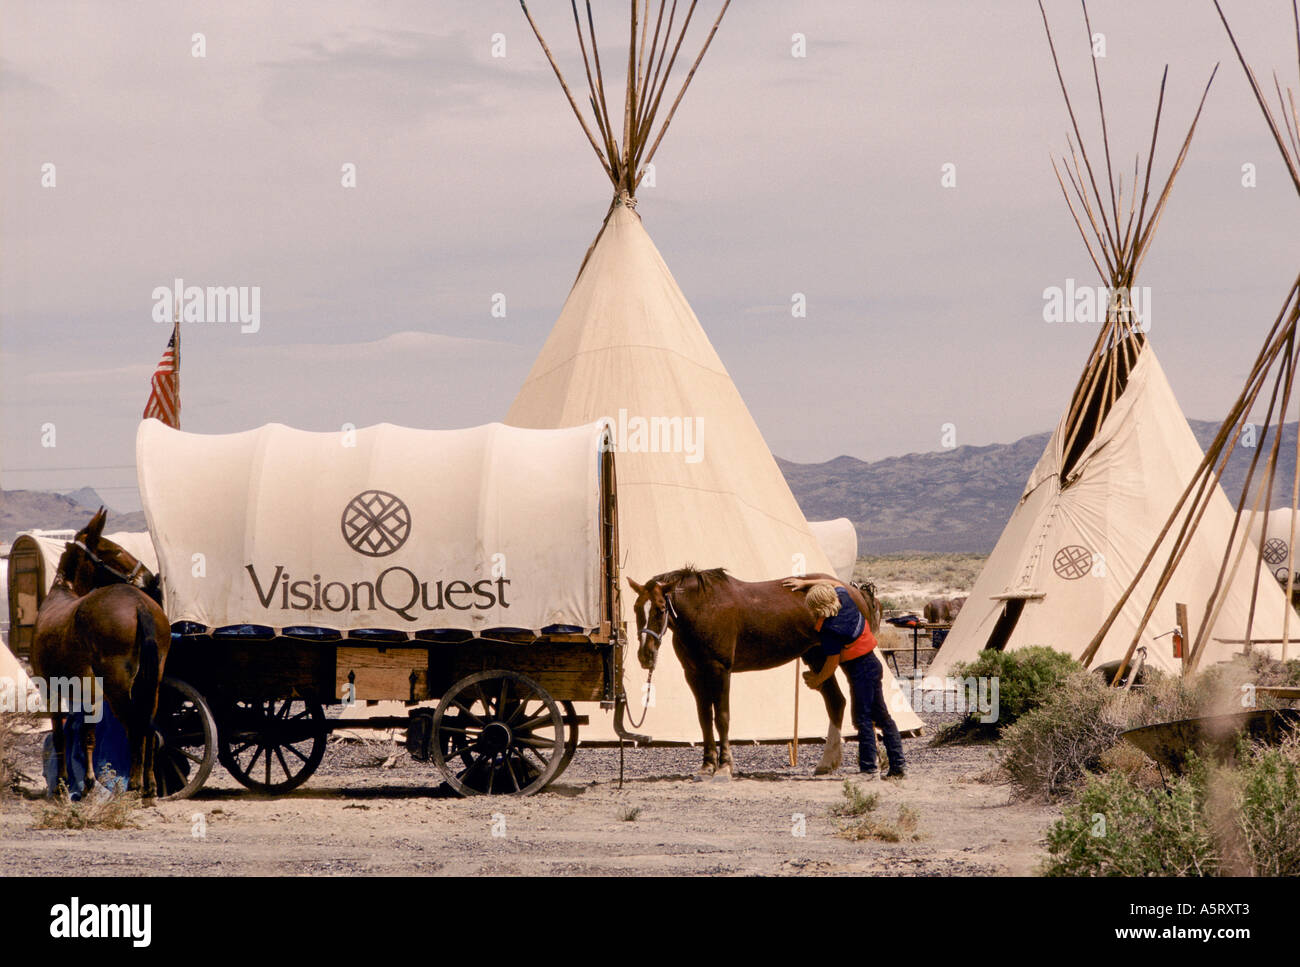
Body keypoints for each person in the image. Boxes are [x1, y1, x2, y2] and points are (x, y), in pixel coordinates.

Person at [784, 578, 906, 779]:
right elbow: (832, 581)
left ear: (818, 607)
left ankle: (868, 769)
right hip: (873, 665)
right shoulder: (845, 599)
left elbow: (832, 663)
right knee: (882, 717)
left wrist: (817, 680)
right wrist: (806, 582)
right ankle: (898, 766)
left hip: (860, 671)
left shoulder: (830, 629)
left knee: (863, 718)